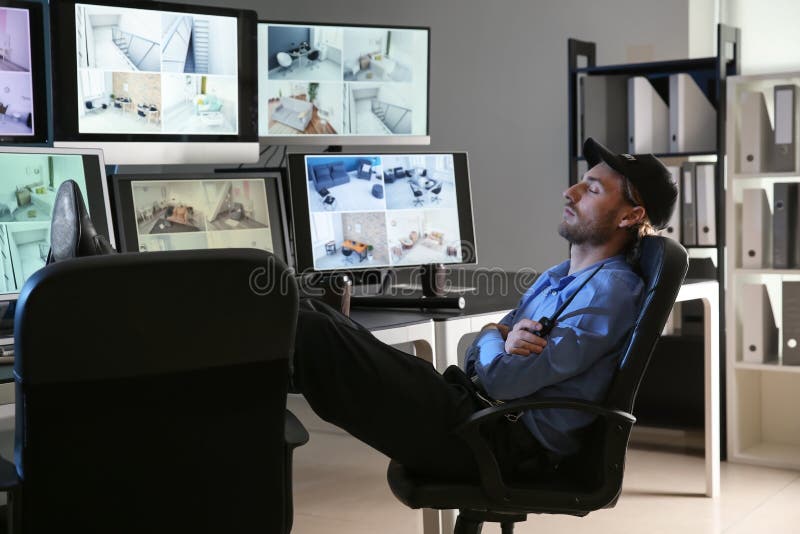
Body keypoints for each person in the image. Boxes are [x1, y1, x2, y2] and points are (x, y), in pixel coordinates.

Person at [291, 137, 678, 482]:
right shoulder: (557, 275)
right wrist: (497, 339)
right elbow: (479, 361)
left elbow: (501, 379)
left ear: (630, 216)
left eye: (591, 189)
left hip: (503, 441)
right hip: (477, 410)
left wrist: (493, 333)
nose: (569, 192)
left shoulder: (610, 291)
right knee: (315, 315)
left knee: (314, 336)